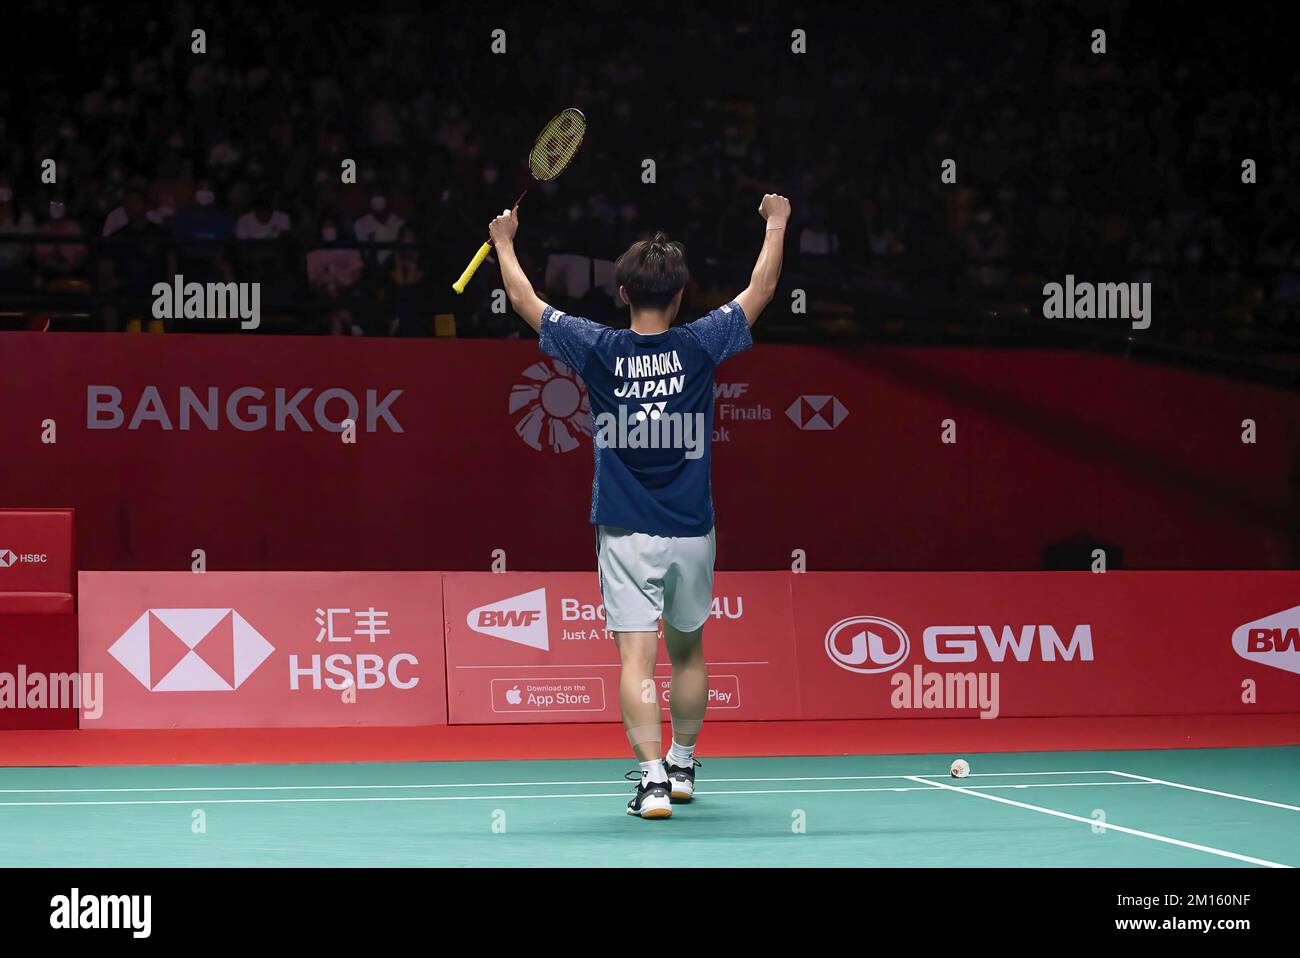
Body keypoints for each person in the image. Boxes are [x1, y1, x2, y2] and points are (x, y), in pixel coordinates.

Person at [491, 193, 790, 819]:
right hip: (691, 530)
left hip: (627, 531)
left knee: (636, 657)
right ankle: (681, 766)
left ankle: (652, 781)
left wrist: (504, 242)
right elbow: (760, 290)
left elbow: (524, 302)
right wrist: (777, 222)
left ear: (622, 294)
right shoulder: (701, 344)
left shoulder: (597, 348)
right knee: (689, 651)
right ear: (679, 296)